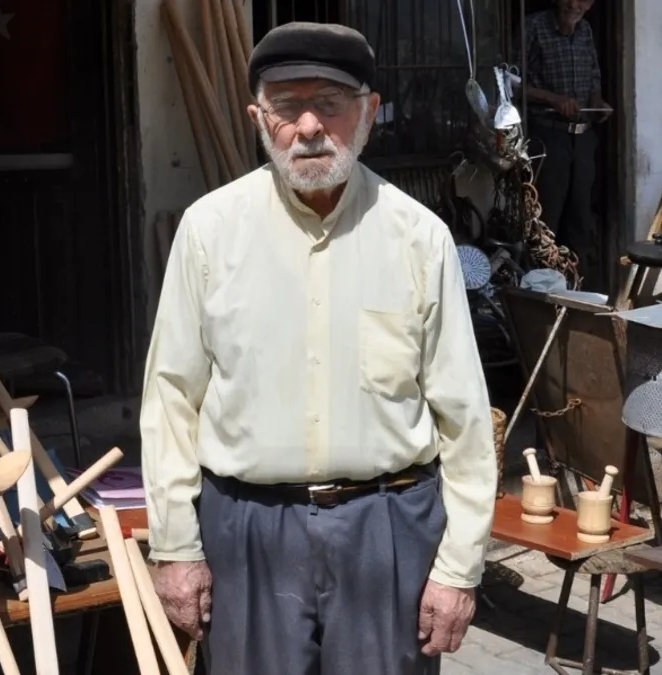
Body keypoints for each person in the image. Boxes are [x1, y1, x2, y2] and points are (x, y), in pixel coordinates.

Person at [140, 21, 497, 675]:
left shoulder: (419, 238)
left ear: (368, 113)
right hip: (248, 530)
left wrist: (459, 564)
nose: (307, 126)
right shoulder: (209, 232)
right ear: (257, 117)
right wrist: (174, 545)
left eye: (329, 103)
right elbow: (170, 400)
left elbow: (466, 418)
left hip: (387, 528)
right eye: (285, 104)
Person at [523, 0, 611, 270]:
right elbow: (511, 82)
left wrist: (599, 102)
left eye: (583, 0)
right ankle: (543, 288)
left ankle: (577, 286)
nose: (575, 5)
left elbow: (594, 80)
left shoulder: (585, 31)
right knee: (547, 215)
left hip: (583, 138)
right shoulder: (534, 27)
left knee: (581, 215)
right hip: (549, 137)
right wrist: (553, 99)